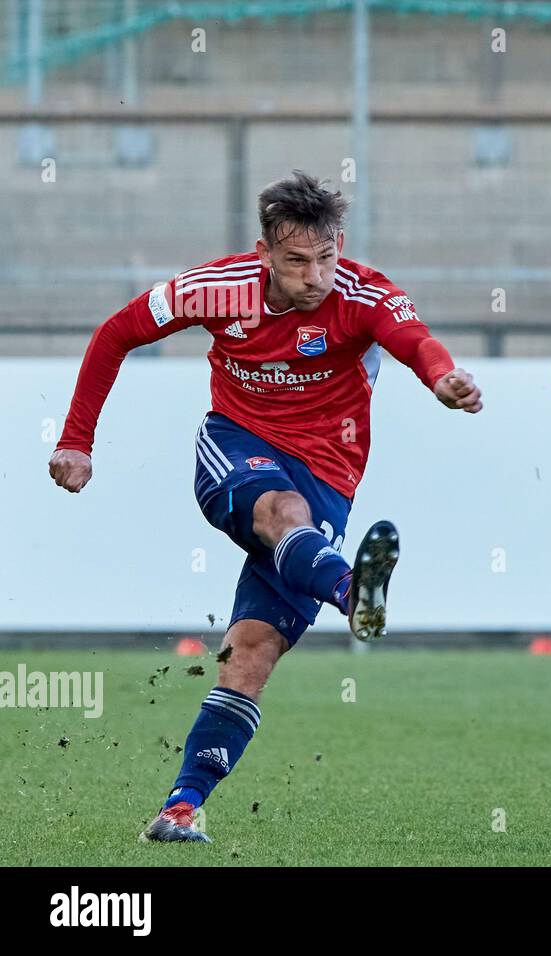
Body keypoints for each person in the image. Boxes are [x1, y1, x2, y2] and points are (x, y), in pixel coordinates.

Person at [48, 171, 483, 843]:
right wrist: (77, 440)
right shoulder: (216, 289)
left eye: (328, 258)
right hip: (237, 449)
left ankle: (180, 808)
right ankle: (351, 589)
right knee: (281, 512)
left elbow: (414, 340)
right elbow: (116, 333)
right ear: (264, 254)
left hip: (329, 479)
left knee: (250, 654)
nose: (317, 276)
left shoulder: (364, 295)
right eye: (298, 261)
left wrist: (444, 377)